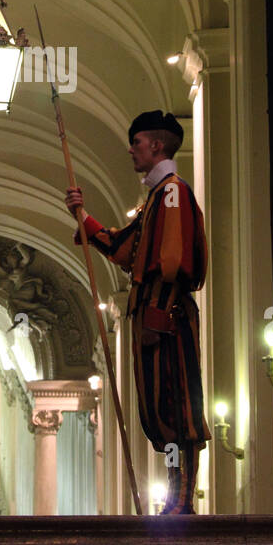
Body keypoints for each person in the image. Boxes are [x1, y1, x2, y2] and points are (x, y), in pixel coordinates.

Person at [64, 110, 211, 515]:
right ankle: (175, 494)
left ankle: (182, 499)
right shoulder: (155, 198)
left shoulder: (172, 192)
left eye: (137, 142)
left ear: (157, 146)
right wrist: (83, 214)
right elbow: (126, 247)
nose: (132, 150)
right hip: (152, 315)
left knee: (179, 410)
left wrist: (159, 316)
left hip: (168, 317)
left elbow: (174, 261)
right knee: (161, 414)